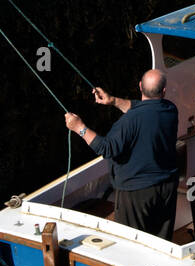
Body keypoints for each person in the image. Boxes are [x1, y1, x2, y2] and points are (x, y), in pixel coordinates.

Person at [64, 69, 179, 239]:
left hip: (137, 193)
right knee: (162, 243)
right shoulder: (170, 109)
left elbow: (106, 148)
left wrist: (79, 127)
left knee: (131, 243)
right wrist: (113, 101)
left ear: (140, 86)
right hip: (167, 188)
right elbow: (143, 106)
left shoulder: (128, 121)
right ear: (164, 91)